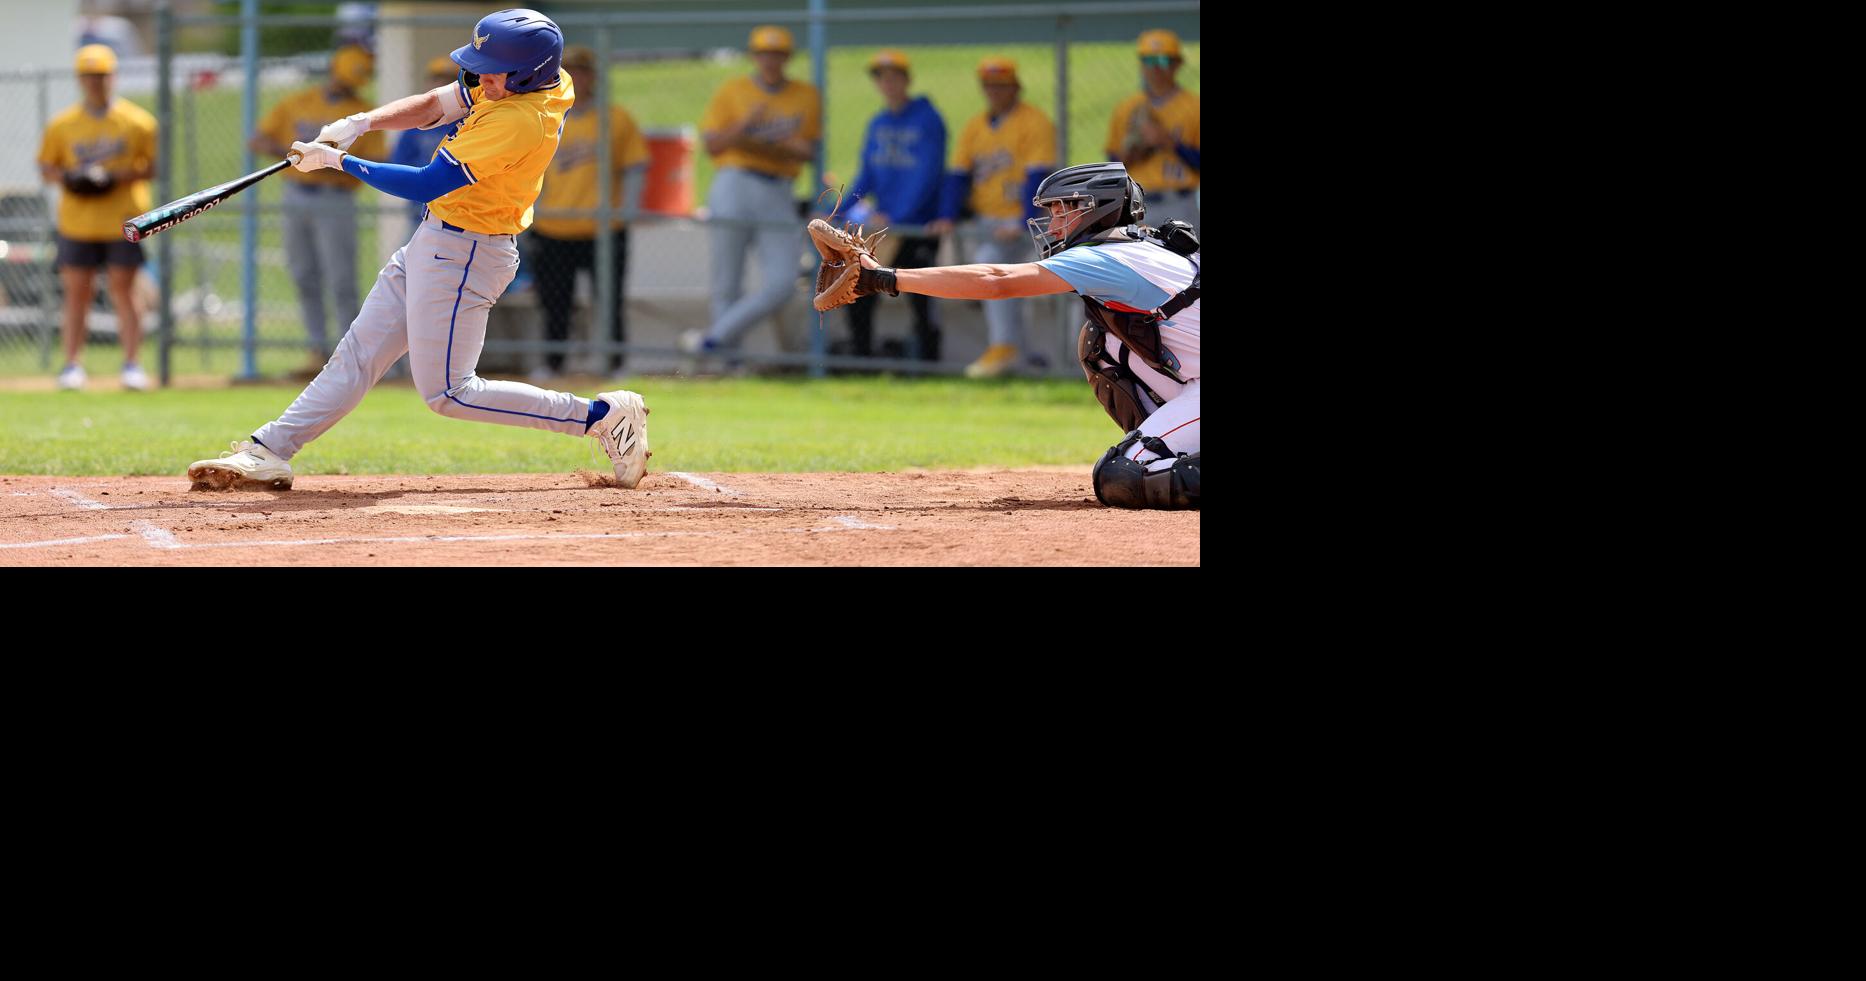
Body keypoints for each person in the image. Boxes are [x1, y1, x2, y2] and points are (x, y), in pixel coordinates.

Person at [187, 8, 649, 492]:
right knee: (358, 354)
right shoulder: (536, 80)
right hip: (439, 239)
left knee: (449, 393)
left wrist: (338, 161)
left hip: (469, 252)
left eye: (493, 71)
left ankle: (601, 416)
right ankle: (271, 449)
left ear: (527, 73)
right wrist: (361, 122)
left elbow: (429, 183)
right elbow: (435, 104)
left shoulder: (520, 120)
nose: (480, 79)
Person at [835, 161, 1198, 509]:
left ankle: (1158, 452)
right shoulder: (1138, 248)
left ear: (1096, 209)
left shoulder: (1110, 257)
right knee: (1101, 343)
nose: (1053, 223)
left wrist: (886, 277)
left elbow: (997, 281)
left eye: (1062, 210)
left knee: (1122, 475)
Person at [680, 24, 821, 358]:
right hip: (734, 183)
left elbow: (808, 151)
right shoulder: (734, 90)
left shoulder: (806, 95)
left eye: (777, 54)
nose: (770, 61)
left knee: (783, 282)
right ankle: (728, 361)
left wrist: (758, 141)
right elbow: (713, 145)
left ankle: (713, 339)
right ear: (754, 57)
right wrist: (747, 126)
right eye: (763, 54)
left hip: (778, 189)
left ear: (787, 57)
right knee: (727, 280)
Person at [251, 44, 386, 376]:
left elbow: (376, 161)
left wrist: (327, 163)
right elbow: (257, 139)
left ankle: (351, 356)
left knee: (341, 280)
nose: (347, 86)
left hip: (335, 198)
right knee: (303, 275)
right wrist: (298, 156)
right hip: (296, 193)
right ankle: (318, 353)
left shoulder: (362, 113)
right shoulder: (298, 102)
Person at [38, 44, 157, 391]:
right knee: (77, 292)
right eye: (89, 75)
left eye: (102, 75)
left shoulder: (137, 122)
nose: (96, 82)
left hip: (123, 218)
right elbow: (48, 166)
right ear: (79, 79)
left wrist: (111, 177)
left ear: (113, 77)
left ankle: (132, 364)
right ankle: (72, 365)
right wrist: (72, 179)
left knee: (125, 290)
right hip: (78, 221)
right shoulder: (63, 124)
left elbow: (152, 167)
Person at [527, 44, 650, 378]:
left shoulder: (615, 118)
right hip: (554, 227)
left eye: (581, 70)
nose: (575, 77)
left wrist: (626, 211)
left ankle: (615, 363)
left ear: (593, 76)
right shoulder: (544, 117)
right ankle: (553, 362)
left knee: (609, 300)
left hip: (604, 228)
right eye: (568, 70)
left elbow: (636, 165)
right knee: (554, 301)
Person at [928, 57, 1055, 378]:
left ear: (1016, 87)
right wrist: (947, 215)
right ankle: (1019, 357)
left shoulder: (1034, 121)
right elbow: (958, 176)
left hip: (1027, 224)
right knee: (1004, 284)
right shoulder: (975, 126)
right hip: (988, 221)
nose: (995, 91)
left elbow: (1037, 175)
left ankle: (1006, 347)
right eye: (990, 85)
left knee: (994, 269)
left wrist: (1024, 219)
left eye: (1002, 85)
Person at [839, 49, 946, 362]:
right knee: (860, 289)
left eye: (894, 76)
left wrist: (900, 217)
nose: (887, 83)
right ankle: (862, 358)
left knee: (923, 294)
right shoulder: (878, 122)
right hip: (884, 226)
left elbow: (928, 175)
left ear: (906, 80)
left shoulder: (928, 119)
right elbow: (866, 176)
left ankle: (929, 363)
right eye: (881, 77)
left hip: (915, 225)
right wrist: (843, 209)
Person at [1105, 29, 1199, 229]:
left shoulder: (1195, 107)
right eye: (1149, 61)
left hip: (1180, 202)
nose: (1156, 68)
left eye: (1163, 61)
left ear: (1177, 64)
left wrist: (1169, 142)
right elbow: (1113, 165)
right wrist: (1134, 151)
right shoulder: (1126, 108)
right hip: (1137, 205)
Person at [389, 55, 467, 230]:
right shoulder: (417, 122)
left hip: (460, 211)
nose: (441, 85)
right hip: (421, 210)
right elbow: (399, 161)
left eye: (448, 81)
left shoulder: (469, 120)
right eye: (436, 78)